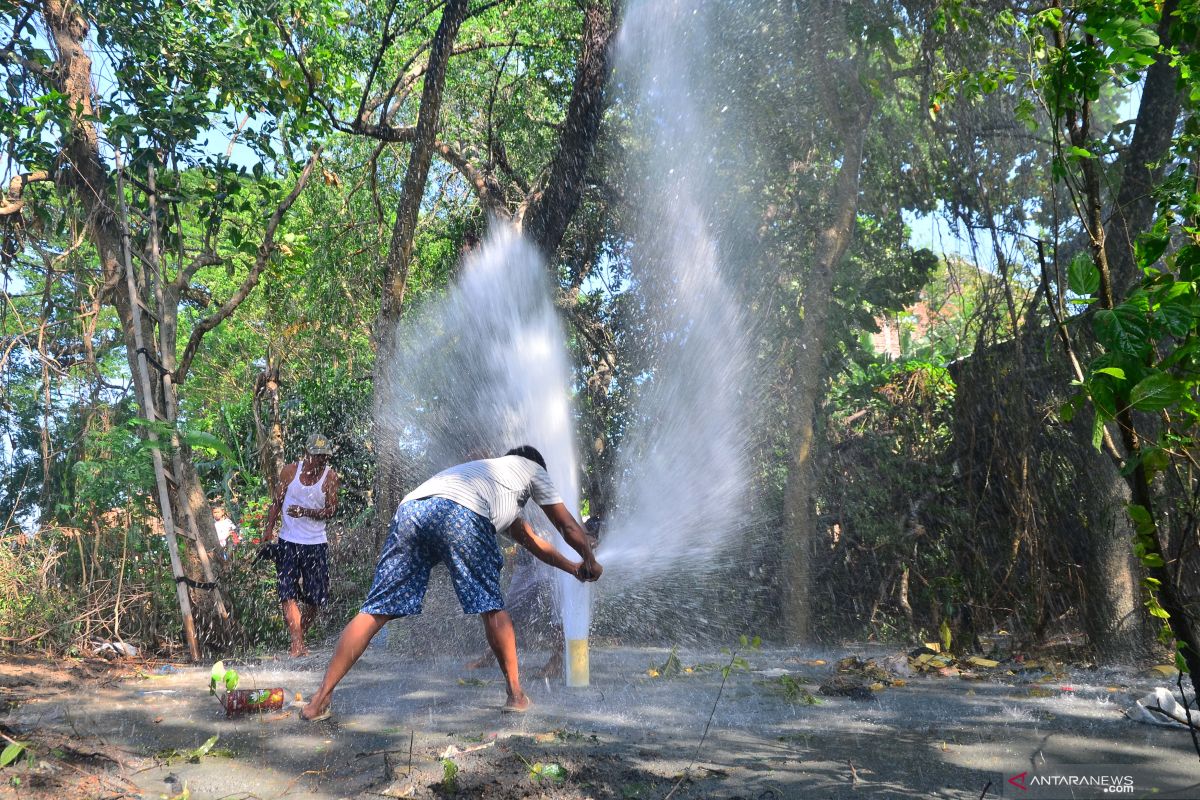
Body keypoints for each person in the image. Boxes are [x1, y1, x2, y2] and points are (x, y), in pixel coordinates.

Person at [299, 445, 602, 720]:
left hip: (412, 510)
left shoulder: (492, 484)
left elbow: (536, 544)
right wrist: (589, 557)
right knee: (492, 606)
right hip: (462, 513)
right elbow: (567, 525)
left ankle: (319, 701)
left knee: (376, 610)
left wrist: (574, 568)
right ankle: (516, 695)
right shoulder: (533, 468)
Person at [263, 432, 340, 657]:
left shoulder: (330, 477)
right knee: (286, 592)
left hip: (316, 544)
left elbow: (332, 510)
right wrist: (268, 529)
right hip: (288, 541)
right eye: (317, 456)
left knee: (317, 598)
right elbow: (277, 502)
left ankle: (299, 638)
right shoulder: (289, 472)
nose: (320, 460)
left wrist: (305, 511)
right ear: (307, 453)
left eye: (324, 457)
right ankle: (297, 642)